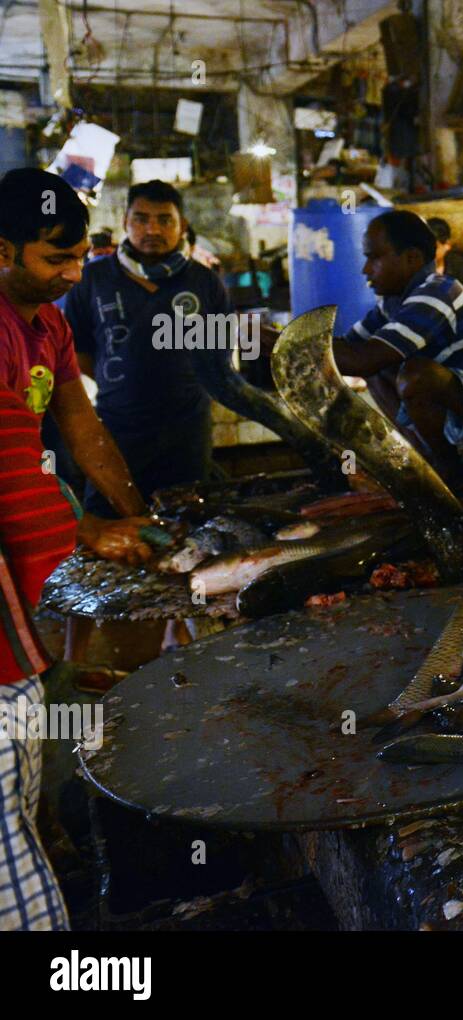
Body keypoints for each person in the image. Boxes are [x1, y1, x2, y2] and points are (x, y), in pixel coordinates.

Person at [0, 168, 157, 930]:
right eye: (53, 260)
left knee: (39, 693)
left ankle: (39, 823)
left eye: (78, 257)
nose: (71, 275)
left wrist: (144, 519)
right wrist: (87, 532)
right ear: (2, 249)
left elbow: (81, 429)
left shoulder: (49, 325)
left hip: (23, 540)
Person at [62, 180, 227, 519]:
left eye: (165, 219)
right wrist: (122, 381)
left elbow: (219, 356)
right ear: (125, 222)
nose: (152, 228)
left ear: (181, 224)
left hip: (187, 434)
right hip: (117, 429)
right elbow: (78, 351)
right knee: (112, 523)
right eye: (141, 218)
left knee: (192, 528)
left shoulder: (204, 282)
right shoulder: (92, 279)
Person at [333, 211, 463, 482]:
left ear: (411, 258)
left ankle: (452, 478)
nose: (366, 270)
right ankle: (427, 462)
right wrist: (272, 340)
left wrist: (279, 342)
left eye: (375, 258)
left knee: (417, 376)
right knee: (379, 369)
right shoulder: (393, 302)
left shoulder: (438, 292)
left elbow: (362, 358)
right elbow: (348, 348)